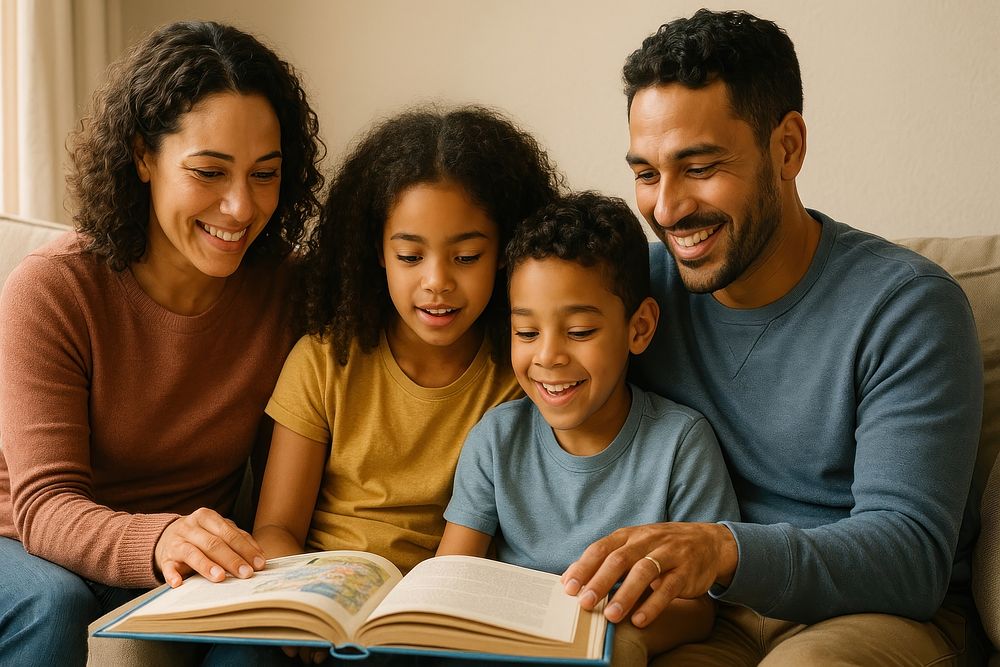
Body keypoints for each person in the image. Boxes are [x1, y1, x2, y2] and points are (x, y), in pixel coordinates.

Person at [559, 9, 986, 665]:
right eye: (646, 173)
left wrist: (722, 548)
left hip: (869, 617)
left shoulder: (906, 307)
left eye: (698, 166)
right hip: (708, 617)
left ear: (787, 146)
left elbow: (911, 557)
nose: (666, 209)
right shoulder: (634, 297)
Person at [0, 20, 324, 665]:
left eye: (265, 174)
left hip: (189, 553)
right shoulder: (54, 289)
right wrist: (160, 538)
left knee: (263, 643)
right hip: (21, 541)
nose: (239, 207)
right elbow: (43, 505)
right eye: (209, 172)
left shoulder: (288, 292)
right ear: (143, 157)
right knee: (53, 604)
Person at [210, 106, 562, 665]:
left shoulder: (521, 375)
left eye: (467, 256)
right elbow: (276, 525)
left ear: (504, 254)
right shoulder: (325, 360)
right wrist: (298, 605)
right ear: (378, 252)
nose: (438, 282)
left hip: (434, 611)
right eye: (410, 255)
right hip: (319, 597)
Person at [436, 191, 740, 666]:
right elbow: (451, 576)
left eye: (579, 332)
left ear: (638, 328)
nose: (549, 356)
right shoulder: (495, 440)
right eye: (527, 332)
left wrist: (614, 636)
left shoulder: (680, 444)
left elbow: (697, 610)